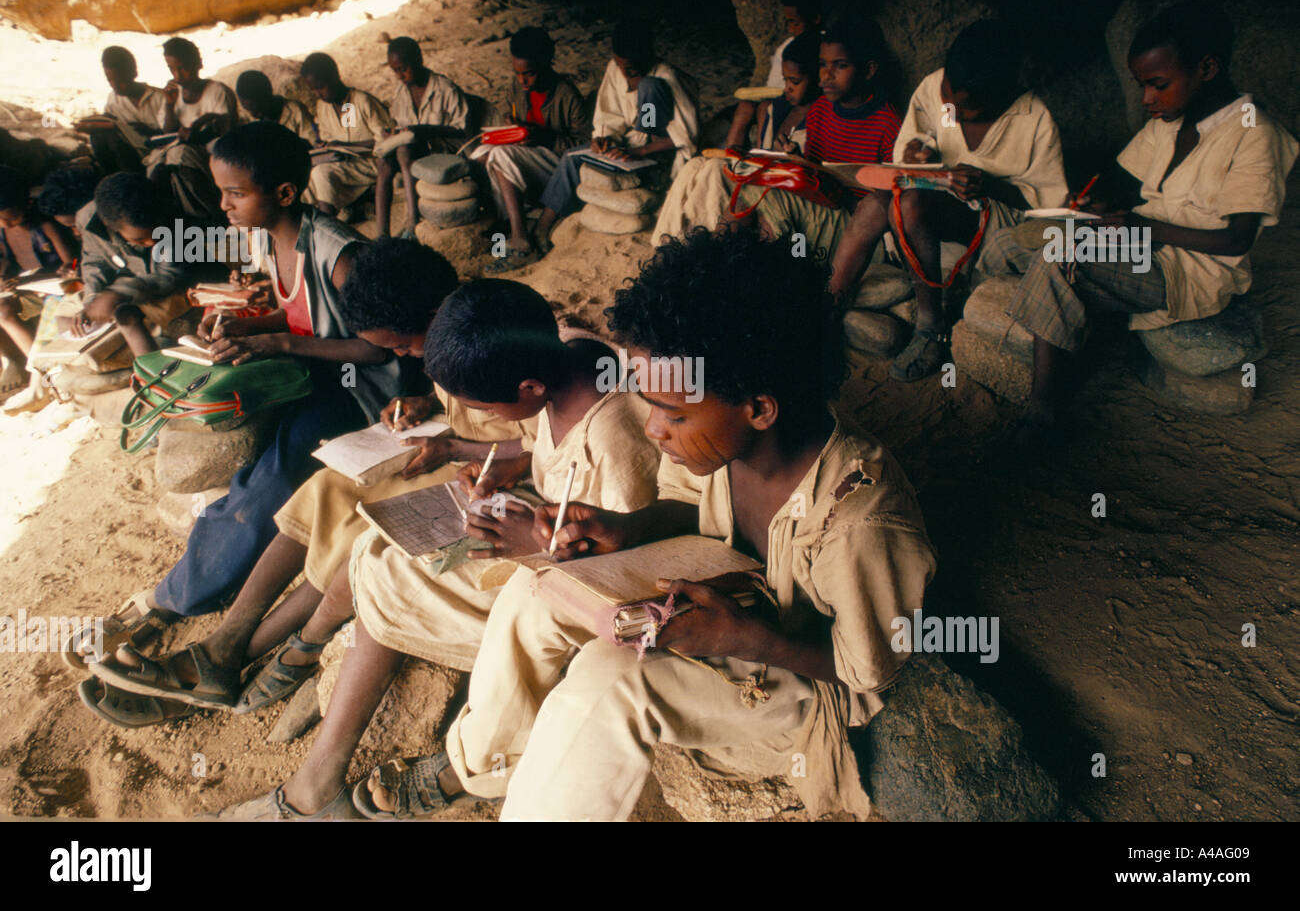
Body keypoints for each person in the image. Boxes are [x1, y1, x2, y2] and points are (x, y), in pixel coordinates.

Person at [354, 225, 936, 820]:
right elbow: (685, 507)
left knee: (610, 681)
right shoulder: (720, 446)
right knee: (535, 591)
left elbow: (866, 672)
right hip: (733, 602)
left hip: (800, 682)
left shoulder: (860, 520)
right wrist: (625, 528)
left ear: (759, 408)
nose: (654, 429)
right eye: (650, 403)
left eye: (673, 414)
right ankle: (480, 764)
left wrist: (742, 639)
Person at [221, 278, 661, 819]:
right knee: (375, 547)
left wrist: (532, 542)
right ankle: (307, 691)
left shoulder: (612, 439)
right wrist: (502, 472)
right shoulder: (567, 359)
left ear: (527, 388)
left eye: (487, 408)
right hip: (541, 532)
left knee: (386, 573)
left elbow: (621, 562)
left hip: (567, 594)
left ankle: (315, 783)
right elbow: (542, 452)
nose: (492, 422)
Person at [80, 238, 471, 728]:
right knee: (324, 489)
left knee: (360, 532)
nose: (402, 354)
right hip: (440, 444)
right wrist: (423, 403)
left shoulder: (481, 336)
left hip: (472, 466)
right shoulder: (442, 328)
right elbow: (446, 393)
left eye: (401, 346)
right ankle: (226, 640)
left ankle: (223, 659)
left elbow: (523, 437)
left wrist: (459, 448)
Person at [66, 122, 403, 678]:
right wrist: (245, 329)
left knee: (269, 481)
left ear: (285, 194)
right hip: (313, 368)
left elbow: (377, 349)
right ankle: (190, 581)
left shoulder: (340, 255)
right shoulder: (268, 236)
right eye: (222, 191)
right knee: (235, 443)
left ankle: (167, 599)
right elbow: (301, 316)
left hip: (359, 393)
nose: (221, 205)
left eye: (235, 193)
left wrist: (277, 340)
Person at [983, 2, 1298, 431]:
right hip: (1141, 244)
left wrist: (1141, 229)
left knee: (1058, 257)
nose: (1147, 98)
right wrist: (1093, 206)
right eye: (1142, 86)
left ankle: (1043, 407)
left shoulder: (1255, 133)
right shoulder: (1167, 124)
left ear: (1207, 68)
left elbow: (1236, 241)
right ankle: (1042, 314)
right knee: (1014, 238)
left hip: (1190, 268)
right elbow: (1119, 186)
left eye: (1158, 84)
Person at [828, 19, 1069, 382]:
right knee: (879, 201)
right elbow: (909, 146)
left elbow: (1046, 208)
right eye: (947, 97)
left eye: (966, 108)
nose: (951, 108)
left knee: (908, 204)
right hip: (935, 204)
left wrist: (989, 185)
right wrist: (913, 152)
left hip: (998, 218)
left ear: (1001, 93)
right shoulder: (933, 87)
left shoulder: (1034, 119)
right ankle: (830, 307)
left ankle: (931, 328)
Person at [529, 22, 700, 255]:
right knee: (572, 157)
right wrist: (605, 138)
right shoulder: (615, 67)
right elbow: (609, 115)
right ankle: (542, 229)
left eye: (631, 68)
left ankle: (652, 175)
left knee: (649, 88)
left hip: (658, 150)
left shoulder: (665, 76)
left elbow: (686, 137)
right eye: (621, 65)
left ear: (647, 55)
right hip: (629, 145)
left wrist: (641, 152)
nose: (624, 73)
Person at [745, 19, 902, 265]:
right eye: (822, 65)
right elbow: (817, 179)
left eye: (840, 66)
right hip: (825, 209)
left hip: (857, 229)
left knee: (763, 195)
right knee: (754, 189)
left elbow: (889, 204)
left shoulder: (888, 123)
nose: (826, 76)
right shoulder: (820, 111)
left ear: (868, 70)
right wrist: (797, 160)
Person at [652, 31, 822, 243]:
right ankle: (667, 243)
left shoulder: (822, 117)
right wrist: (745, 159)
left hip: (785, 189)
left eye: (795, 81)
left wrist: (791, 158)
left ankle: (703, 243)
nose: (787, 87)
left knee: (713, 172)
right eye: (785, 79)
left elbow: (817, 173)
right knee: (694, 166)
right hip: (760, 178)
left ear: (818, 78)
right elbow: (761, 151)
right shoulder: (776, 108)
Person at [474, 26, 591, 269]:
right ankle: (512, 217)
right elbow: (511, 112)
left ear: (547, 63)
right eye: (517, 73)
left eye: (529, 74)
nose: (522, 81)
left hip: (557, 165)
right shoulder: (516, 87)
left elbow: (581, 148)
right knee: (482, 153)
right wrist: (512, 126)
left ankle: (520, 239)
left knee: (500, 155)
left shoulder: (566, 95)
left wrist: (542, 138)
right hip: (528, 156)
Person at [66, 172, 198, 357]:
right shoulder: (88, 220)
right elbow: (94, 262)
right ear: (108, 225)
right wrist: (92, 300)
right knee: (68, 313)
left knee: (128, 317)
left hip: (173, 288)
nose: (152, 243)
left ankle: (151, 365)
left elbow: (167, 276)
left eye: (157, 234)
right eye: (140, 239)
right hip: (136, 289)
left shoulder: (167, 210)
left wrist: (118, 293)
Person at [377, 36, 471, 238]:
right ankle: (382, 234)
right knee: (385, 162)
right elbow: (402, 127)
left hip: (443, 150)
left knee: (404, 152)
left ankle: (412, 222)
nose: (400, 76)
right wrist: (392, 134)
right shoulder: (401, 93)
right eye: (395, 71)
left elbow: (462, 131)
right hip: (416, 150)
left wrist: (427, 130)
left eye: (403, 68)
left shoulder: (445, 88)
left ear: (419, 60)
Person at [0, 166, 80, 388]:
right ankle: (31, 365)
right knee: (3, 310)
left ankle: (48, 376)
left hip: (54, 287)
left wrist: (67, 268)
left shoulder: (45, 225)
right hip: (27, 288)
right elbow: (6, 258)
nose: (6, 225)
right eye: (0, 220)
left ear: (26, 205)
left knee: (54, 304)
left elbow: (71, 262)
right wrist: (5, 274)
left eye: (12, 218)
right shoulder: (3, 230)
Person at [145, 37, 238, 222]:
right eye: (172, 69)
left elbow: (224, 129)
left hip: (213, 154)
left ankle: (215, 216)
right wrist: (170, 105)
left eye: (182, 68)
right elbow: (168, 133)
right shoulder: (173, 94)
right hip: (181, 151)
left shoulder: (217, 91)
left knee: (180, 155)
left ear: (198, 64)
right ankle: (174, 219)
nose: (178, 75)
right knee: (161, 165)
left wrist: (197, 132)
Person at [722, 0, 823, 150]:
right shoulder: (786, 48)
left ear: (816, 19)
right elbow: (776, 86)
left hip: (800, 99)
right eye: (788, 23)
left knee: (765, 107)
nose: (791, 29)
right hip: (787, 97)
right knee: (746, 107)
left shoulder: (826, 47)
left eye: (795, 23)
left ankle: (764, 149)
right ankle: (733, 156)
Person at [301, 52, 394, 220]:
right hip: (343, 165)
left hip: (370, 163)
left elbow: (388, 139)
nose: (318, 93)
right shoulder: (324, 107)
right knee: (307, 179)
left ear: (335, 77)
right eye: (313, 89)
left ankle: (328, 226)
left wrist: (348, 147)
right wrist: (325, 148)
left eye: (321, 87)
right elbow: (330, 138)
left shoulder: (361, 101)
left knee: (322, 173)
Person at [75, 46, 168, 174]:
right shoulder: (113, 99)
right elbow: (110, 123)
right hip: (129, 156)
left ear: (134, 73)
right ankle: (113, 175)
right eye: (110, 80)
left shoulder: (160, 97)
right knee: (100, 136)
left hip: (158, 154)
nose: (115, 86)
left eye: (121, 81)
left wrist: (149, 131)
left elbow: (170, 132)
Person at [234, 69, 318, 144]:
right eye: (247, 108)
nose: (253, 114)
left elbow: (313, 143)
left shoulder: (296, 111)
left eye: (258, 108)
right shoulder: (248, 120)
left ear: (268, 95)